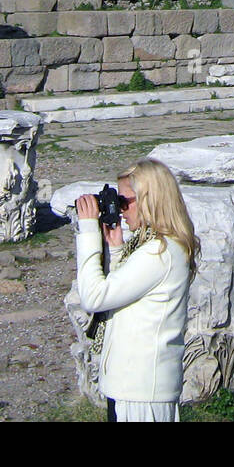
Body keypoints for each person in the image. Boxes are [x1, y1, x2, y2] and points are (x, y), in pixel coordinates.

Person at [73, 159, 198, 422]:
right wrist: (117, 250)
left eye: (125, 201)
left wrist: (87, 231)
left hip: (140, 392)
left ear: (149, 200)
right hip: (136, 388)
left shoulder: (158, 253)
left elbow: (94, 296)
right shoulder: (158, 247)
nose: (120, 210)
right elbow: (125, 295)